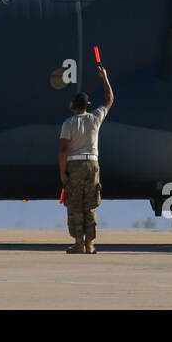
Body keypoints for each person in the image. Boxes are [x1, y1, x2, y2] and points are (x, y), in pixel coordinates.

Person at [58, 66, 114, 254]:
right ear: (88, 106)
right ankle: (90, 244)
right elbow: (109, 99)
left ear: (74, 106)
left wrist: (62, 173)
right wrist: (105, 77)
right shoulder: (95, 118)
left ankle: (78, 243)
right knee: (90, 205)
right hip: (93, 164)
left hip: (75, 165)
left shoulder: (68, 123)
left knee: (75, 205)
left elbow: (63, 150)